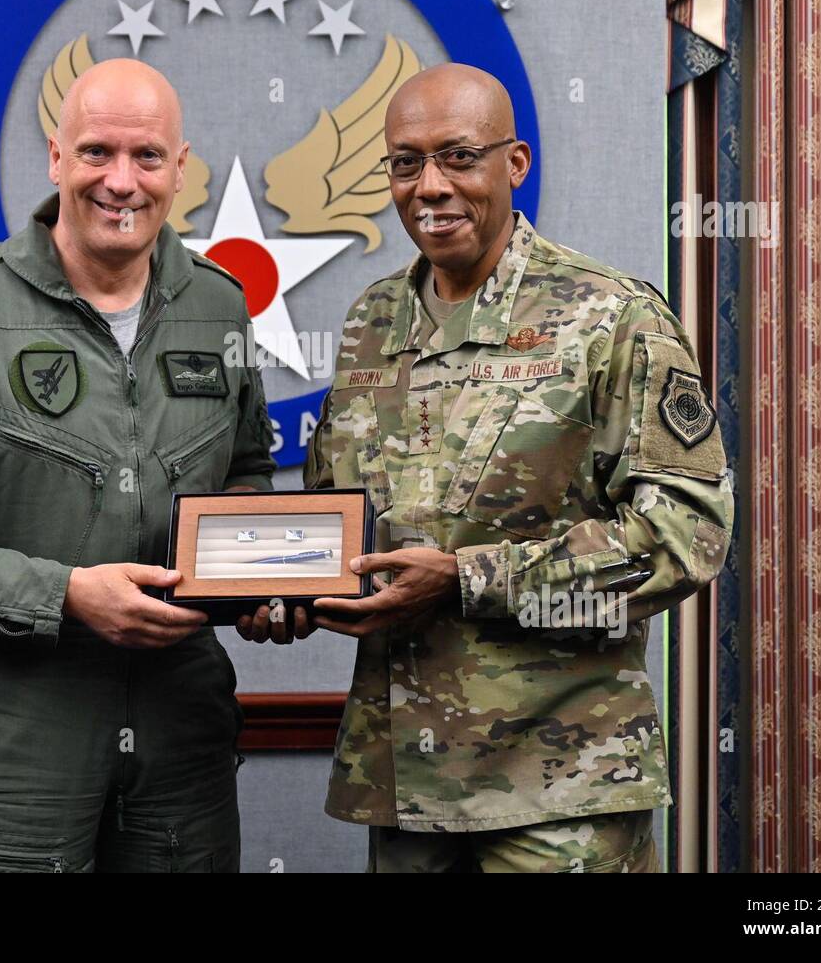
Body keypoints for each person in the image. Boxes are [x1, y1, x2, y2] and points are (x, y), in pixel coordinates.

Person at [242, 62, 733, 873]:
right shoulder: (371, 323)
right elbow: (337, 523)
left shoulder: (610, 316)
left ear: (516, 164)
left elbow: (688, 533)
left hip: (559, 790)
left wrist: (470, 578)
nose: (428, 186)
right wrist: (286, 592)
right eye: (405, 162)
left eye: (458, 157)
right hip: (403, 787)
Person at [0, 59, 275, 872]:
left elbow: (246, 469)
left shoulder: (220, 306)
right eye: (96, 153)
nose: (122, 181)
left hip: (180, 741)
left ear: (181, 169)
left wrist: (255, 582)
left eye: (147, 157)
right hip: (9, 745)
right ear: (55, 157)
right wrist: (66, 596)